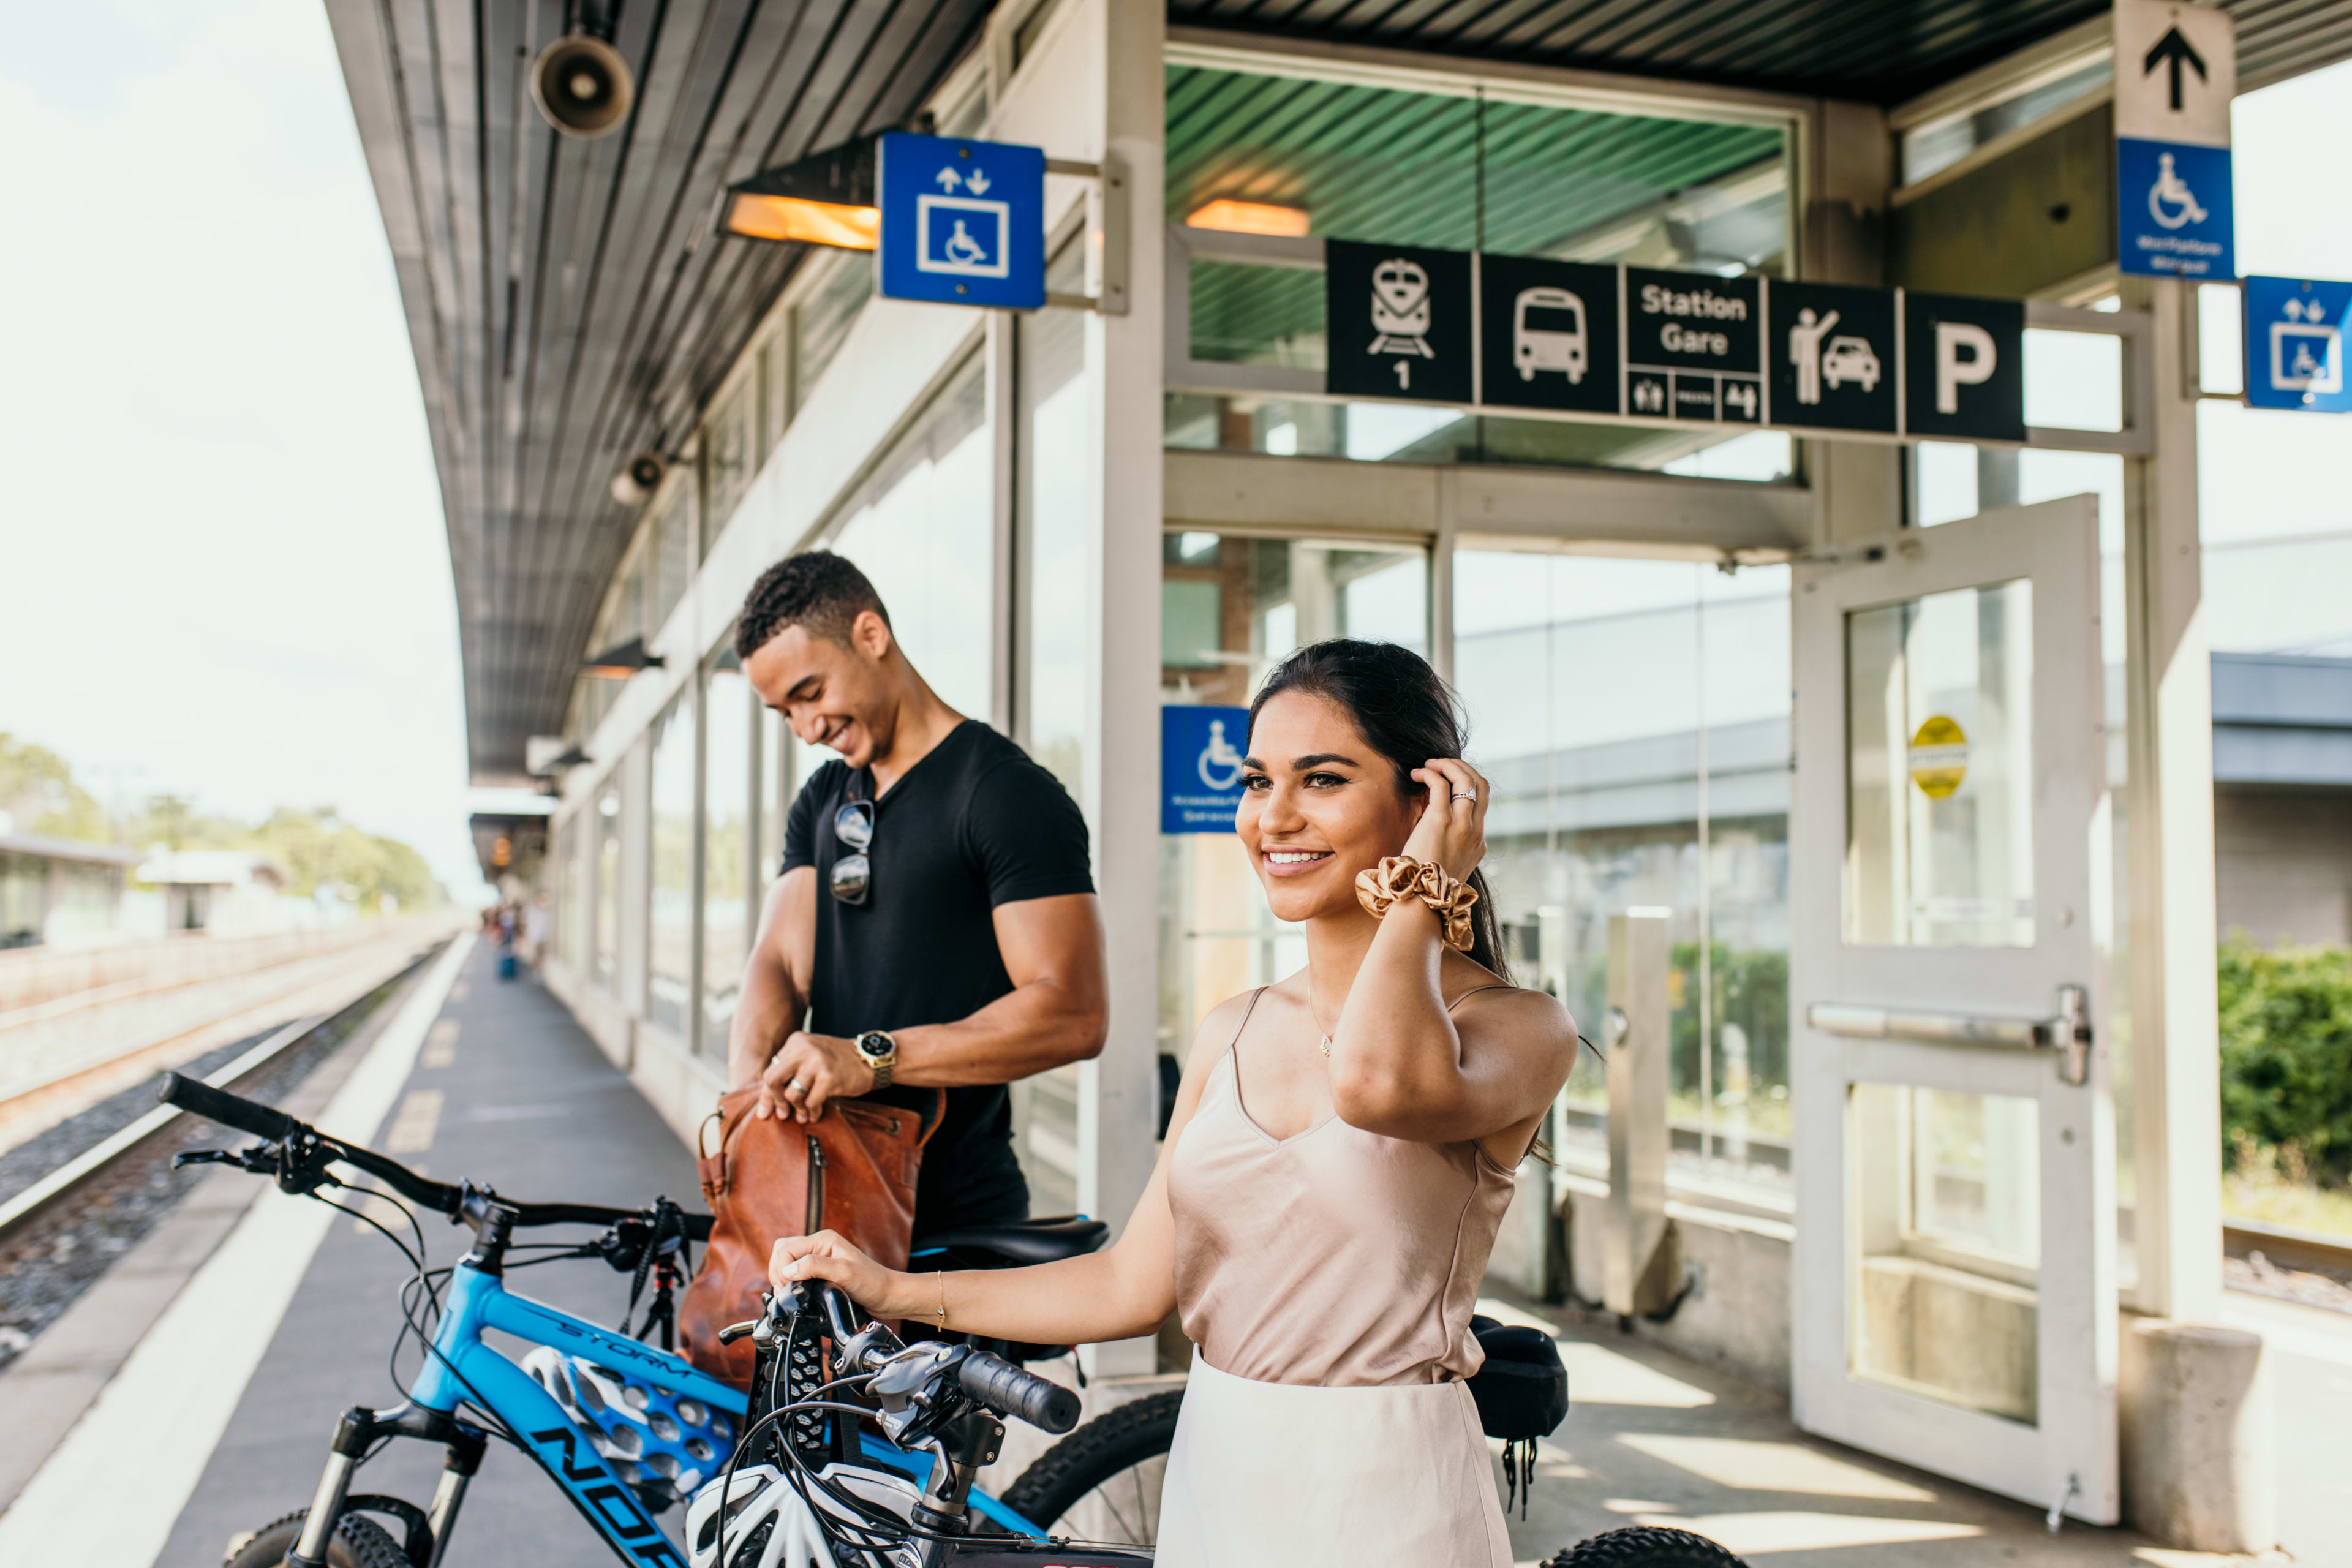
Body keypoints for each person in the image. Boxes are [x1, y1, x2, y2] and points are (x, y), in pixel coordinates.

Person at [771, 639, 1577, 1566]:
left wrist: (1423, 891)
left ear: (1426, 802)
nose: (1273, 817)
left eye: (1321, 780)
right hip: (1217, 1477)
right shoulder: (1231, 1029)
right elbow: (1129, 1285)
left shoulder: (1517, 1027)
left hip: (1390, 1505)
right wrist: (892, 1290)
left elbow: (1374, 1082)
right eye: (1255, 780)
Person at [730, 551, 1107, 1235]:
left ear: (871, 636)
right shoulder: (823, 798)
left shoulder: (1003, 794)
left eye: (811, 693)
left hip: (954, 1223)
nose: (806, 728)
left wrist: (869, 1058)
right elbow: (781, 965)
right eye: (784, 711)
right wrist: (747, 1107)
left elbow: (1074, 1013)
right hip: (827, 1199)